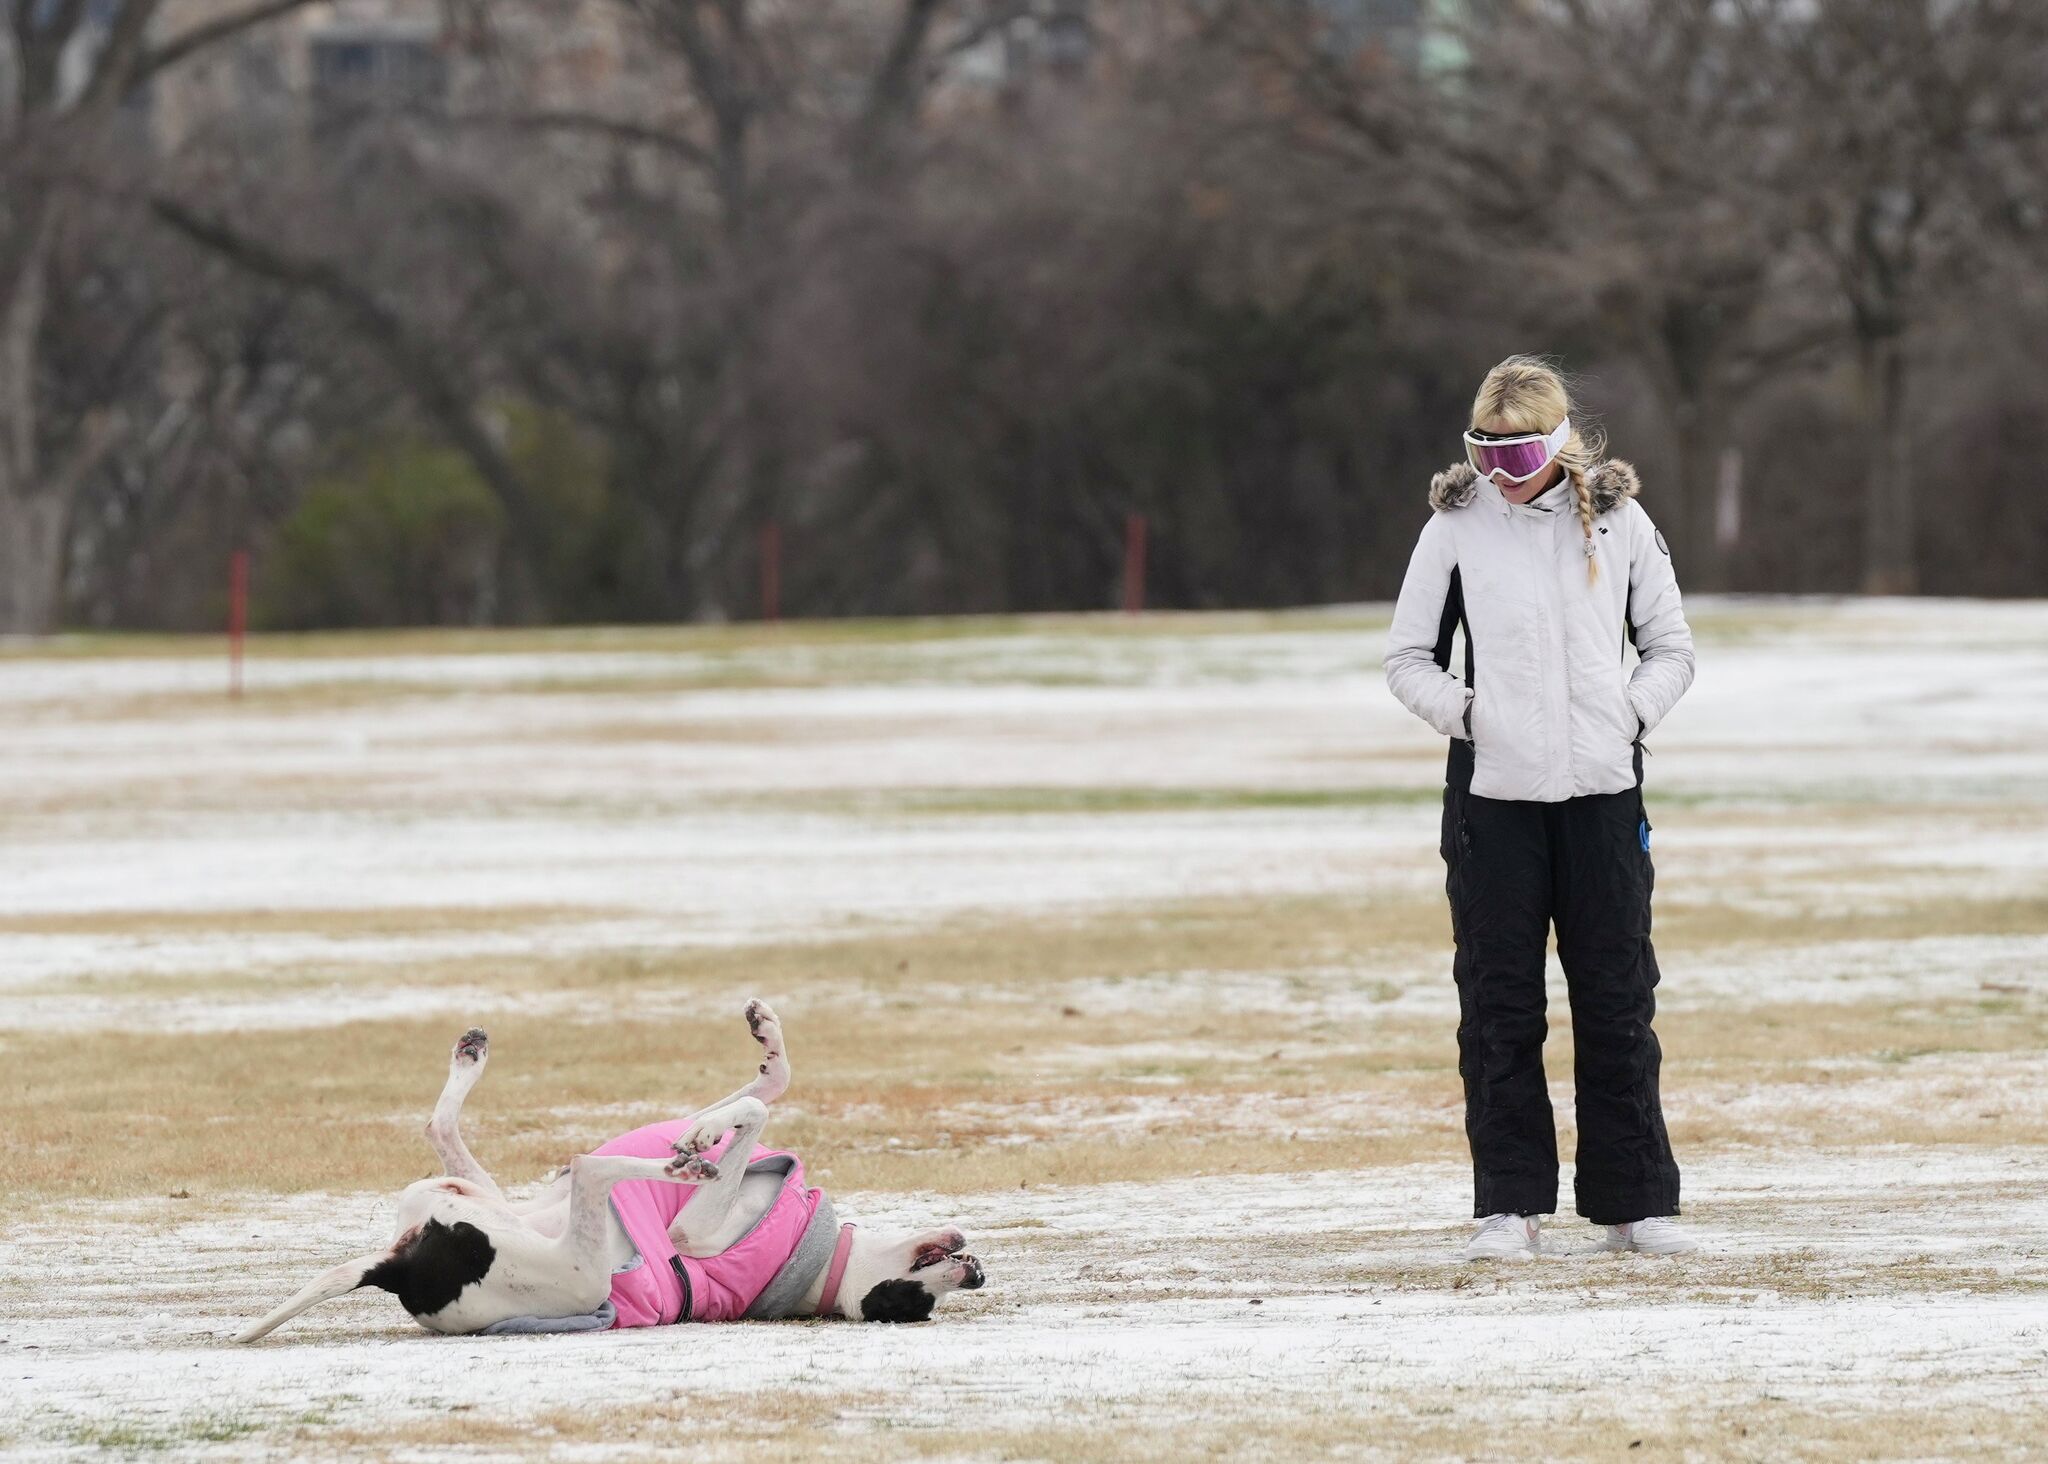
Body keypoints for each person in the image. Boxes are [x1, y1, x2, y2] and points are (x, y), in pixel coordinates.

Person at [1385, 356, 1698, 1261]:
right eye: (1486, 458)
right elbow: (1409, 657)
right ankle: (1508, 1206)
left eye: (1519, 459)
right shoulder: (1453, 532)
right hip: (1495, 805)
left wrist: (1628, 711)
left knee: (1616, 999)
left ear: (1558, 446)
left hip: (1603, 797)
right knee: (1499, 1005)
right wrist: (1474, 717)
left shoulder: (1624, 523)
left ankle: (1635, 1201)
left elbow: (1671, 646)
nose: (1502, 479)